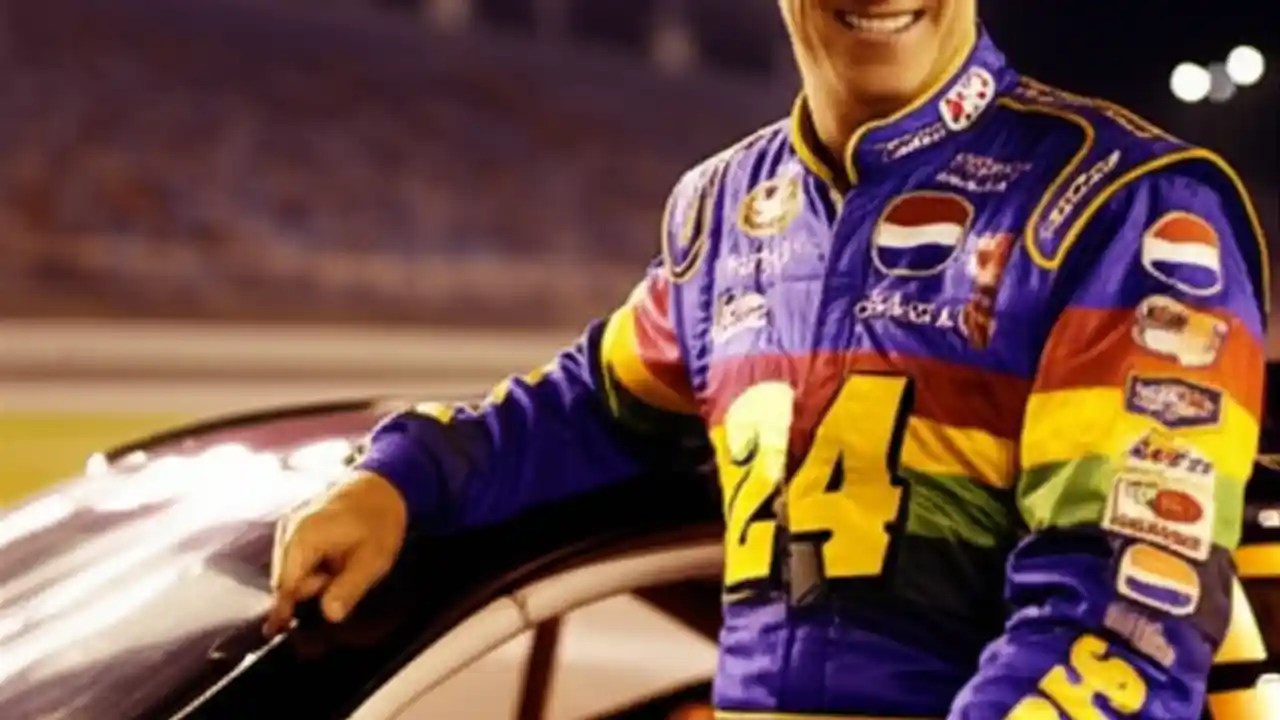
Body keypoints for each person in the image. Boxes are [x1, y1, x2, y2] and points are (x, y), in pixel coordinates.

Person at [267, 1, 1270, 717]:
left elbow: (1122, 613)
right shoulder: (725, 212)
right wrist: (400, 483)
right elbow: (593, 408)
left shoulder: (1122, 213)